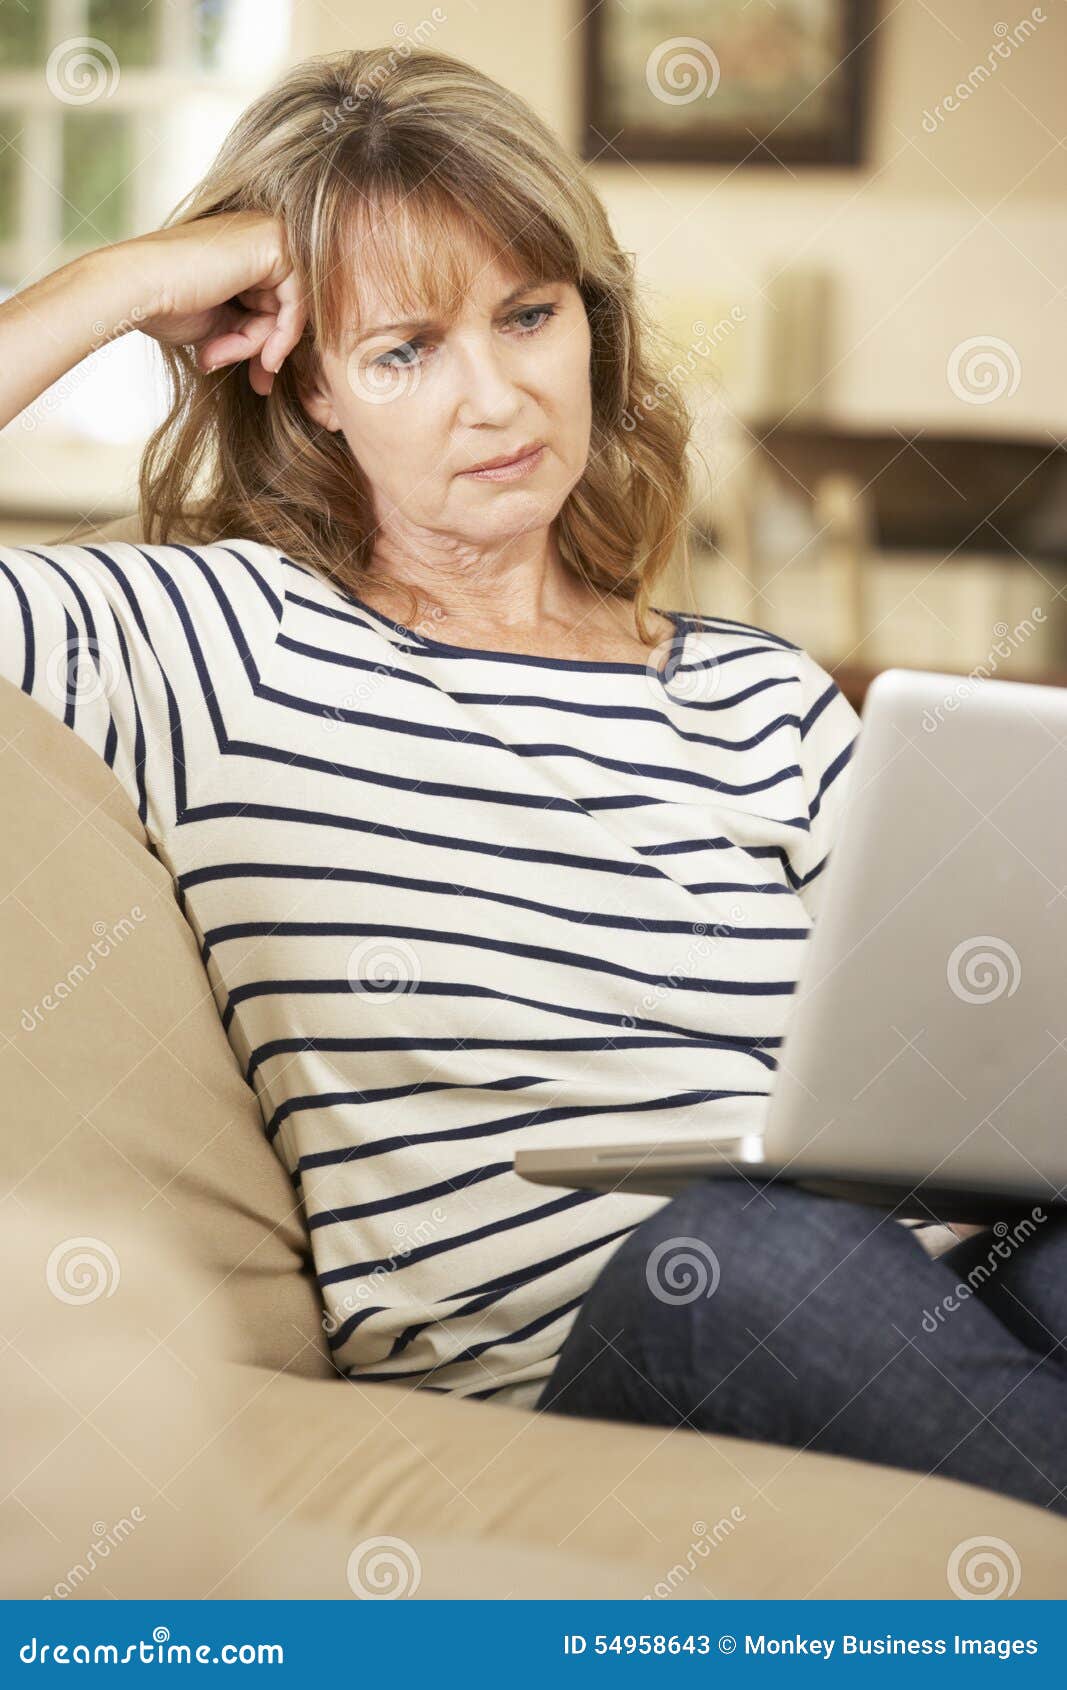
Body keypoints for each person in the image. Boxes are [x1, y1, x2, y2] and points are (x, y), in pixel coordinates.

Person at [1, 46, 1063, 1514]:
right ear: (310, 391)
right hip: (617, 1340)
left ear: (591, 326)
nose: (496, 397)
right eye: (405, 349)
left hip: (902, 1295)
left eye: (528, 315)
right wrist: (122, 281)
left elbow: (950, 1078)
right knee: (735, 1256)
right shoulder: (217, 636)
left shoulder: (762, 694)